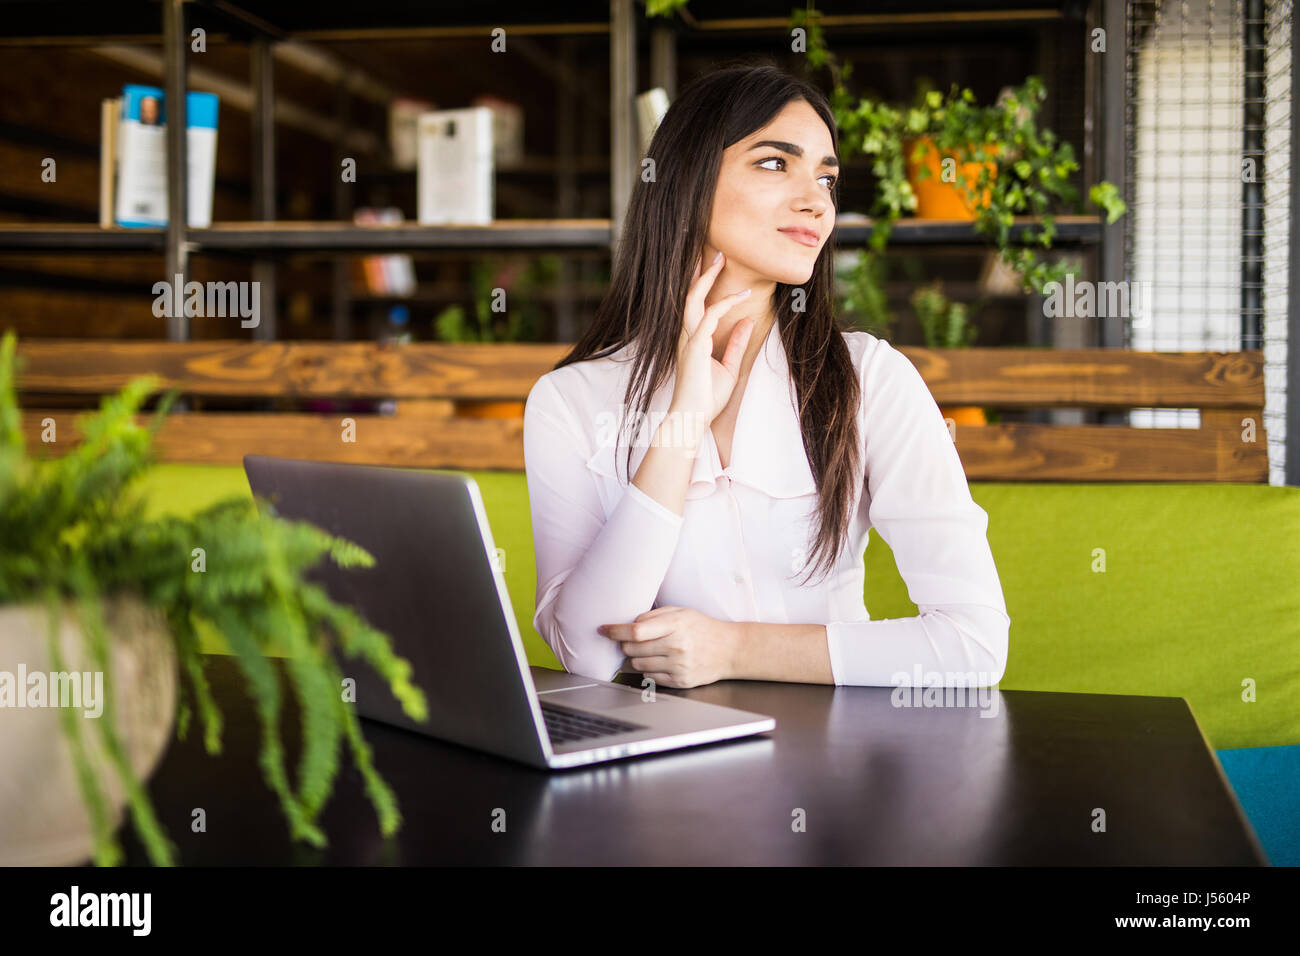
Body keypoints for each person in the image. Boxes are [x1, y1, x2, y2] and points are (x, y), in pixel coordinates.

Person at [523, 61, 1010, 689]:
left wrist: (732, 650)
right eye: (776, 163)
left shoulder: (871, 380)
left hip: (832, 766)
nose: (816, 201)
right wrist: (684, 420)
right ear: (686, 180)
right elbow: (589, 654)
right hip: (661, 769)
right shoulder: (569, 400)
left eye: (827, 178)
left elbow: (972, 646)